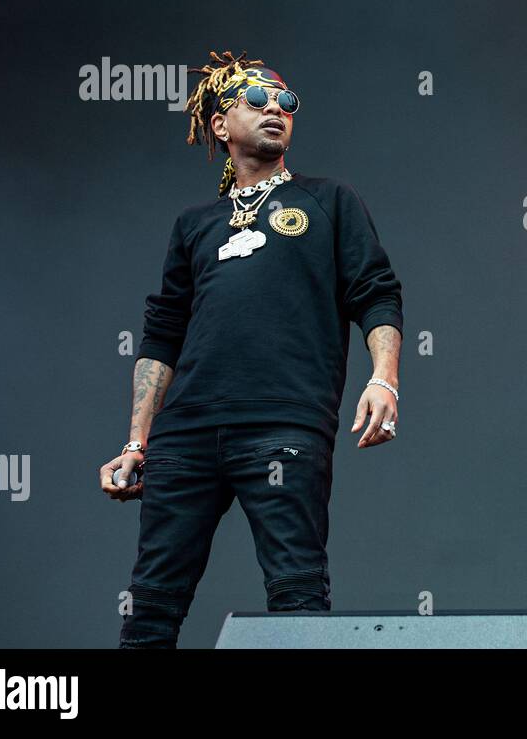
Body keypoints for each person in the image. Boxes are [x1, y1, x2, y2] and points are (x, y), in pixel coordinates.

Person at [98, 51, 404, 648]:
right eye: (256, 100)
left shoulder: (329, 200)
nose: (275, 110)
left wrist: (384, 378)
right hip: (185, 433)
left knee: (296, 596)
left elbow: (376, 292)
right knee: (151, 603)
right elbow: (162, 334)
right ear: (219, 123)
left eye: (286, 102)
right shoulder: (195, 224)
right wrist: (138, 441)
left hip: (283, 421)